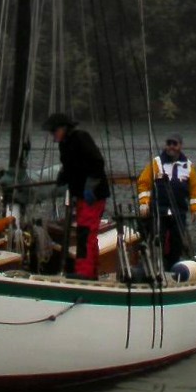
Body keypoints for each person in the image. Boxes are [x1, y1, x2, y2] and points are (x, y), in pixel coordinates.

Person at [46, 113, 110, 279]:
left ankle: (85, 272)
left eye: (55, 131)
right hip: (80, 195)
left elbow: (97, 162)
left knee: (85, 234)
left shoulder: (81, 138)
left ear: (64, 128)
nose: (53, 135)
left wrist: (90, 186)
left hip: (93, 195)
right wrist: (62, 178)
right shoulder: (64, 145)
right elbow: (69, 166)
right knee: (87, 233)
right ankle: (92, 269)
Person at [137, 133, 196, 264]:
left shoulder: (189, 166)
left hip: (179, 212)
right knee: (157, 240)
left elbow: (194, 189)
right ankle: (157, 266)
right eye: (169, 143)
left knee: (177, 241)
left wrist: (195, 208)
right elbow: (143, 183)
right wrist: (144, 203)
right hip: (159, 211)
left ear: (180, 146)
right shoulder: (156, 163)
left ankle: (173, 265)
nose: (171, 147)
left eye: (175, 144)